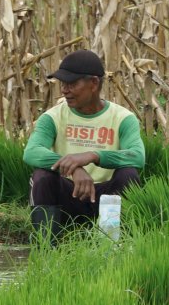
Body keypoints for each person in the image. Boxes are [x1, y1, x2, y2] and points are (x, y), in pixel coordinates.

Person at [23, 49, 145, 242]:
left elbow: (137, 156)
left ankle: (116, 244)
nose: (64, 90)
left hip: (106, 195)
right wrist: (74, 168)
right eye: (63, 83)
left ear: (94, 83)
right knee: (42, 177)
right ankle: (45, 248)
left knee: (128, 174)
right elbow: (31, 153)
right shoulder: (53, 117)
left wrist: (94, 155)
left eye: (72, 83)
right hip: (70, 193)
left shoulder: (123, 118)